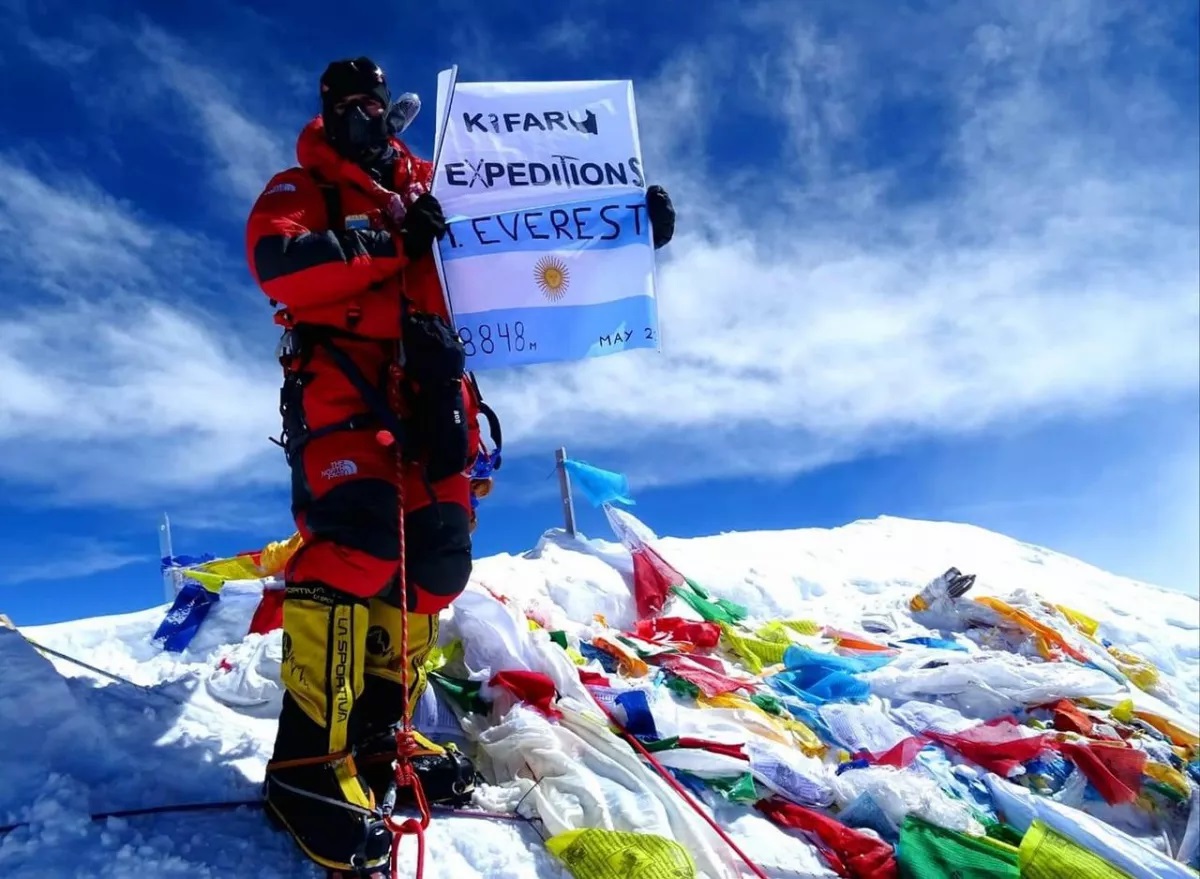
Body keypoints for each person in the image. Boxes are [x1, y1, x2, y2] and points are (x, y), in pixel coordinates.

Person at [244, 57, 676, 875]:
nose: (368, 118)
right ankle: (305, 771)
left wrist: (622, 235)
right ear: (329, 113)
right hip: (346, 394)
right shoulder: (300, 188)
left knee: (435, 564)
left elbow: (524, 237)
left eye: (377, 104)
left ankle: (380, 746)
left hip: (439, 397)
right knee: (358, 548)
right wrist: (387, 239)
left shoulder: (447, 181)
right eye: (350, 107)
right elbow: (284, 266)